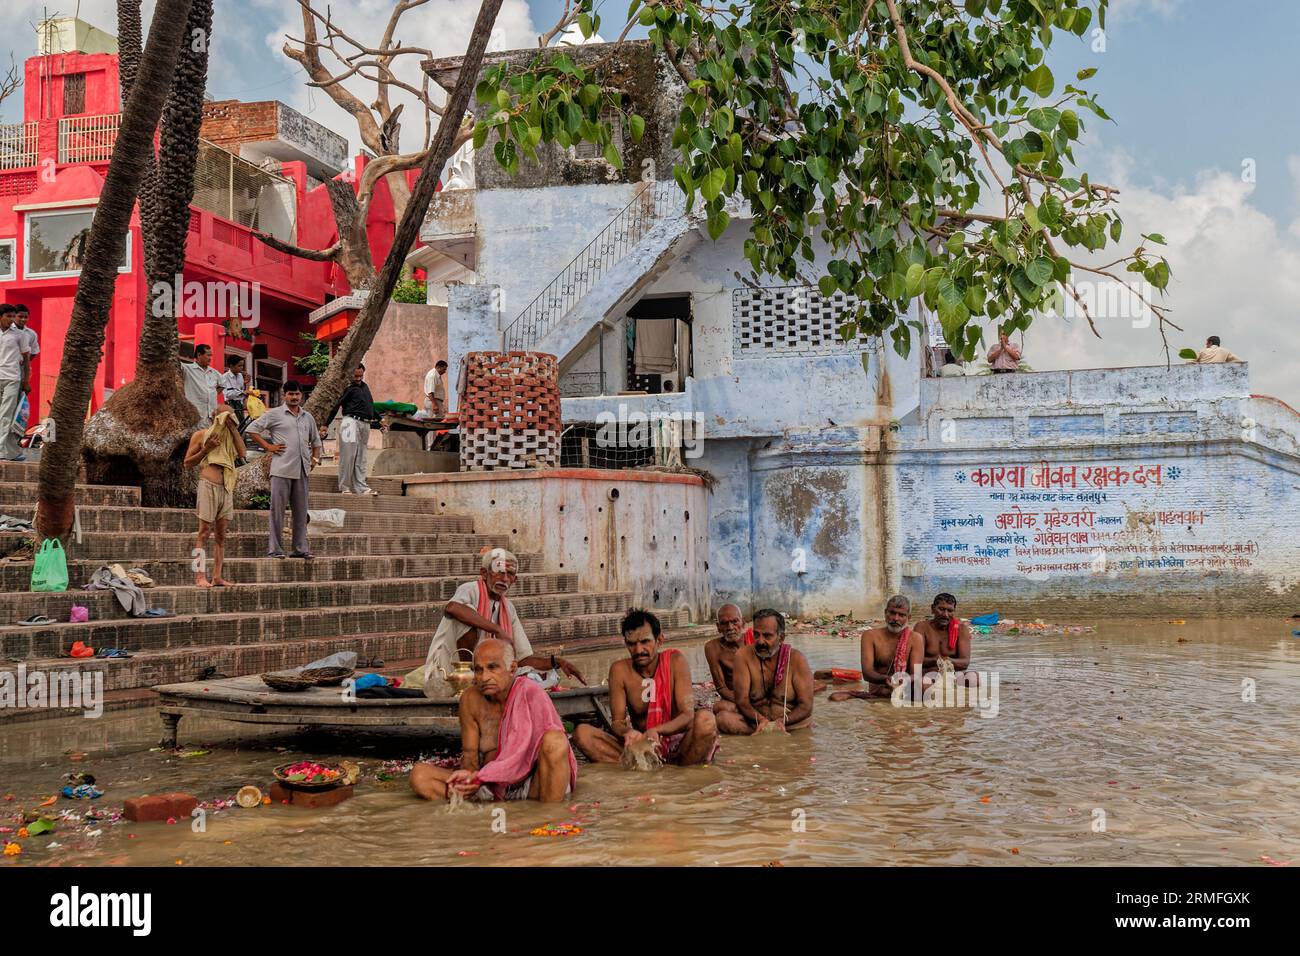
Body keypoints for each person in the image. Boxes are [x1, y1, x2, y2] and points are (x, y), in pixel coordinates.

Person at [409, 639, 578, 803]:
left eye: (492, 667)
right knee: (420, 775)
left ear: (512, 668)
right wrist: (472, 780)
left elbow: (529, 754)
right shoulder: (470, 700)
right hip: (489, 786)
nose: (484, 677)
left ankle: (550, 815)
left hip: (533, 785)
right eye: (478, 670)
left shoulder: (532, 693)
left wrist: (482, 776)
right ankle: (490, 810)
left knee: (555, 741)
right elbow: (470, 756)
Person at [413, 547, 585, 691]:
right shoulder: (470, 589)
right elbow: (452, 608)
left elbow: (522, 658)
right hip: (447, 673)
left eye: (510, 574)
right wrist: (496, 629)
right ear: (484, 573)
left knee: (526, 674)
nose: (504, 579)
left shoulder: (508, 608)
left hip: (486, 677)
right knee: (467, 614)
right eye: (499, 572)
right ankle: (470, 680)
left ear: (514, 580)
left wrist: (556, 662)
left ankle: (481, 678)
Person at [572, 608, 719, 765]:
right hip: (640, 749)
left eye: (645, 642)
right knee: (582, 734)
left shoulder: (675, 661)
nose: (638, 650)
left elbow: (687, 715)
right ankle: (646, 765)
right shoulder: (620, 670)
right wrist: (628, 732)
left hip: (681, 748)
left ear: (659, 640)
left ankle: (679, 771)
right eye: (631, 644)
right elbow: (617, 723)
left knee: (706, 720)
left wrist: (657, 730)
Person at [245, 380, 322, 559]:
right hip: (281, 470)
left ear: (301, 396)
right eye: (290, 394)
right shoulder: (275, 414)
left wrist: (315, 459)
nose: (294, 397)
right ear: (284, 395)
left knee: (301, 512)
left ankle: (300, 549)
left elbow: (316, 442)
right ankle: (275, 550)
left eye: (297, 394)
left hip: (303, 470)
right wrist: (268, 446)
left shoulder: (307, 417)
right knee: (277, 511)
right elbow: (252, 429)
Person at [715, 608, 813, 734]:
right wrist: (760, 720)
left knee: (805, 725)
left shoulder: (796, 659)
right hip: (757, 723)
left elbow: (806, 706)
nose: (760, 641)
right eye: (756, 635)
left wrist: (782, 722)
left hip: (789, 725)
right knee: (722, 718)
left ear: (781, 637)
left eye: (767, 636)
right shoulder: (743, 656)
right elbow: (742, 701)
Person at [182, 409, 246, 588]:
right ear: (215, 417)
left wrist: (233, 430)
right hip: (208, 485)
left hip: (226, 486)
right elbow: (187, 463)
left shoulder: (230, 439)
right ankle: (199, 576)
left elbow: (242, 453)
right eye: (225, 416)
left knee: (221, 535)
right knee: (203, 532)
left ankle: (217, 576)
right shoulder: (201, 435)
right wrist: (206, 449)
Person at [829, 595, 926, 702]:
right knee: (835, 697)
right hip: (878, 692)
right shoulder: (870, 636)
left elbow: (916, 674)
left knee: (925, 687)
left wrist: (903, 681)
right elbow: (867, 673)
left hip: (904, 690)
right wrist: (886, 680)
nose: (895, 618)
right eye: (892, 613)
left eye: (901, 615)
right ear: (885, 613)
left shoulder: (915, 638)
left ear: (909, 618)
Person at [326, 363, 385, 496]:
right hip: (350, 422)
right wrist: (326, 423)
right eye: (355, 376)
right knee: (348, 455)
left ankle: (361, 487)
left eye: (360, 375)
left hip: (365, 423)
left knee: (361, 457)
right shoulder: (346, 387)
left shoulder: (364, 386)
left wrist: (380, 419)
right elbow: (336, 406)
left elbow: (370, 406)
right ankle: (345, 487)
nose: (358, 378)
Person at [0, 304, 32, 462]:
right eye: (9, 316)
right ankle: (10, 452)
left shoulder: (20, 335)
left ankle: (2, 450)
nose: (12, 320)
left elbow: (26, 359)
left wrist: (26, 380)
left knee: (6, 415)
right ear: (1, 317)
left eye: (14, 316)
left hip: (12, 379)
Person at [705, 603, 748, 716]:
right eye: (724, 623)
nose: (730, 627)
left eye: (735, 621)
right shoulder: (712, 647)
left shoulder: (755, 640)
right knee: (720, 708)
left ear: (743, 623)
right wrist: (745, 703)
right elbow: (721, 687)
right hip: (735, 698)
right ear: (718, 627)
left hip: (760, 697)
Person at [915, 592, 973, 673]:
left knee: (974, 677)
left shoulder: (962, 629)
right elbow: (916, 661)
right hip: (928, 674)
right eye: (941, 609)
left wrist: (942, 661)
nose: (945, 614)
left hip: (952, 674)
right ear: (933, 609)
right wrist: (939, 661)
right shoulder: (922, 627)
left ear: (954, 612)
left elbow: (965, 663)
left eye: (950, 611)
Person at [180, 344, 223, 424]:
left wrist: (212, 394)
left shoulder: (214, 373)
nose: (210, 358)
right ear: (199, 355)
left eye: (211, 355)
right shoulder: (187, 369)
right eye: (208, 355)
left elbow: (222, 385)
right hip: (195, 415)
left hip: (212, 415)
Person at [219, 355, 249, 432]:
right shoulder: (225, 377)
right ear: (231, 366)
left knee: (242, 427)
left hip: (239, 404)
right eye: (239, 366)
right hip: (230, 404)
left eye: (242, 366)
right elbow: (228, 394)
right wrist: (243, 393)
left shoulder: (240, 376)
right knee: (232, 427)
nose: (241, 368)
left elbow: (240, 389)